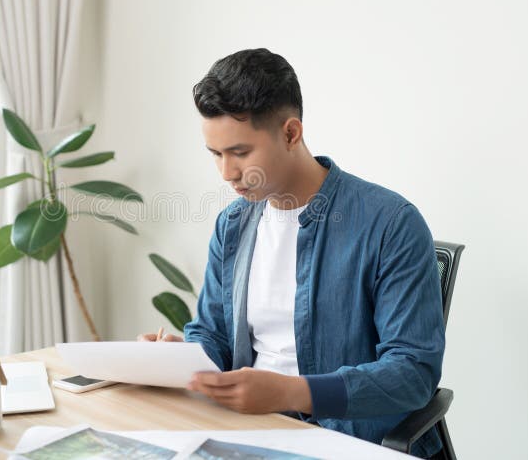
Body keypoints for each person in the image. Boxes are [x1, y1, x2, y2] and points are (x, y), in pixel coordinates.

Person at [139, 48, 445, 458]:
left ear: (290, 133)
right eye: (216, 154)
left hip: (345, 441)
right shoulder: (233, 225)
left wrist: (292, 392)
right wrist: (181, 358)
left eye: (240, 152)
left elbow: (413, 373)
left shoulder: (391, 224)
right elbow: (212, 333)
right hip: (246, 432)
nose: (226, 173)